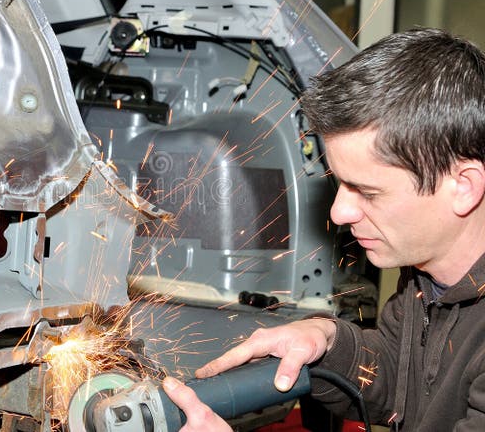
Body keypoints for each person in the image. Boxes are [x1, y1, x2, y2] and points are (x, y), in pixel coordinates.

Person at [162, 28, 485, 431]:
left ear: (464, 187)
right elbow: (397, 377)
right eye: (340, 183)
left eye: (367, 191)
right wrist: (326, 341)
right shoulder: (425, 280)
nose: (339, 212)